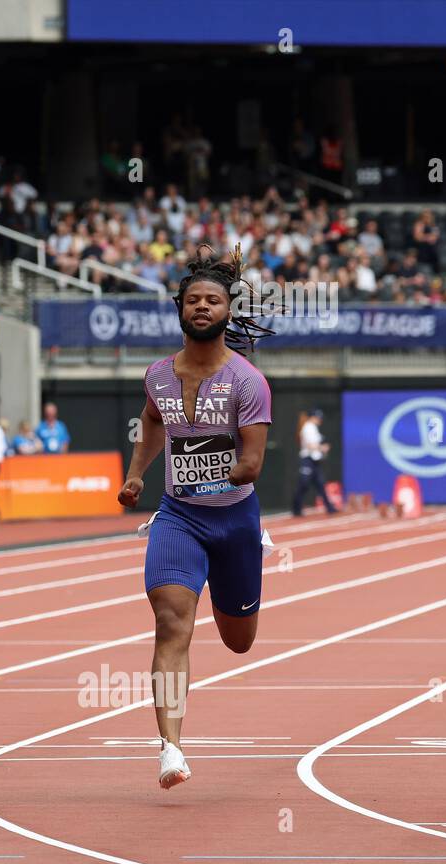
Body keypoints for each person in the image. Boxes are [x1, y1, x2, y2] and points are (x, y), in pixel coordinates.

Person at [117, 246, 275, 791]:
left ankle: (250, 568)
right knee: (170, 622)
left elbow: (252, 464)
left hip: (234, 522)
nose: (202, 307)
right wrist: (138, 474)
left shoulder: (249, 381)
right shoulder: (158, 374)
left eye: (212, 300)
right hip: (177, 518)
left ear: (229, 311)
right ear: (179, 310)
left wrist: (216, 469)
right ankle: (170, 748)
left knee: (239, 641)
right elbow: (153, 420)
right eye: (193, 300)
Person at [292, 408, 337, 517]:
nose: (320, 420)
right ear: (313, 417)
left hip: (314, 461)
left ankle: (329, 507)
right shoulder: (308, 428)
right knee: (304, 484)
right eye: (318, 417)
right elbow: (310, 446)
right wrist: (323, 448)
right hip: (307, 460)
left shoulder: (313, 428)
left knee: (321, 484)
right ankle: (296, 508)